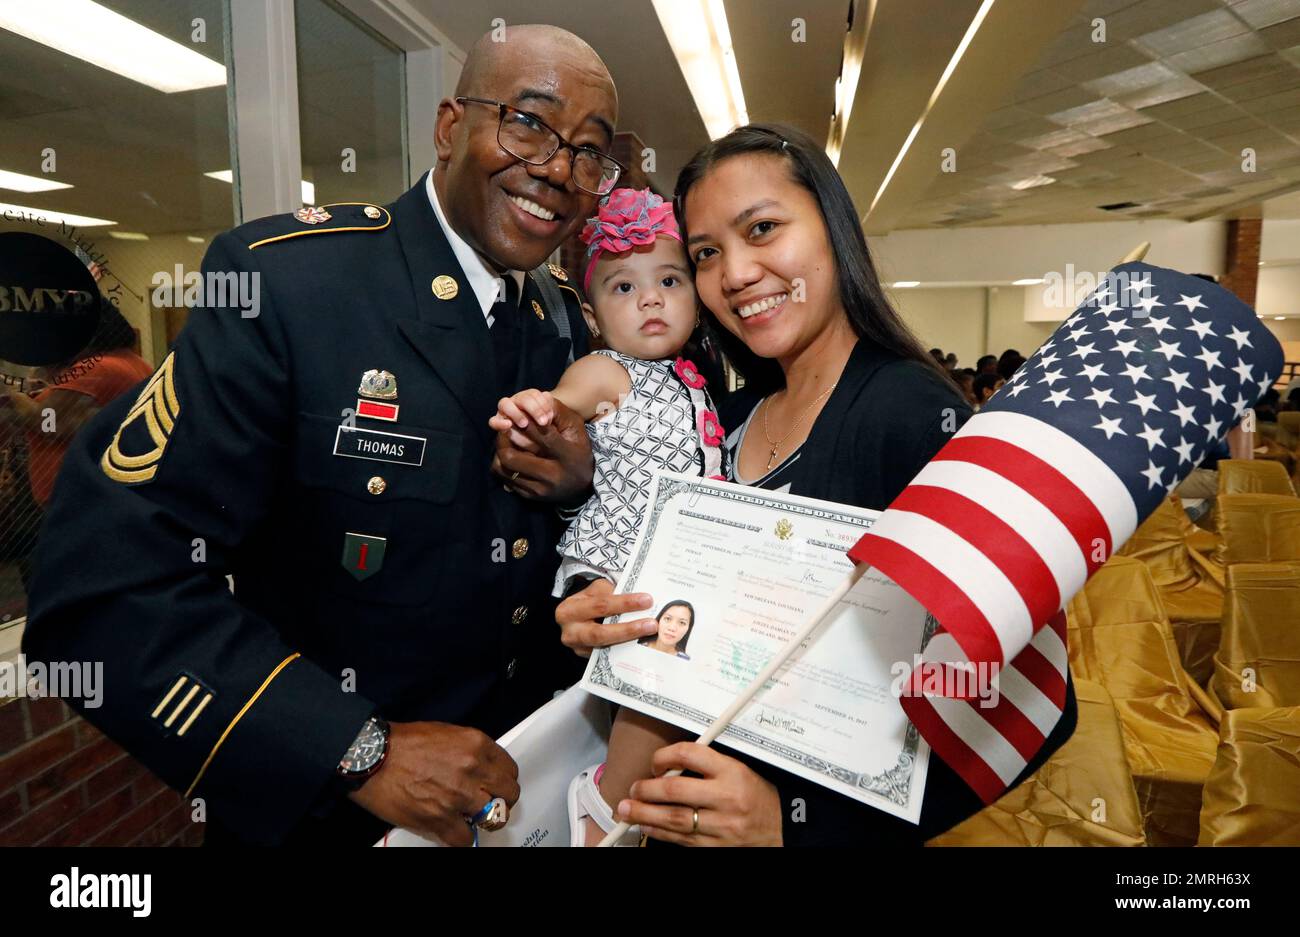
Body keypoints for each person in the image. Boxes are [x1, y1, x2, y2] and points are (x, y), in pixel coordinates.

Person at [24, 23, 618, 847]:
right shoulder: (284, 284)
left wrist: (580, 492)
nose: (557, 168)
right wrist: (355, 750)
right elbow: (103, 590)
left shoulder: (567, 330)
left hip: (522, 808)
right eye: (528, 122)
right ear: (449, 128)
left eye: (590, 152)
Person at [554, 123, 1077, 846]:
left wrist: (795, 825)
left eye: (762, 228)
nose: (734, 274)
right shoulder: (722, 419)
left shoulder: (913, 417)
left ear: (833, 230)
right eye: (706, 254)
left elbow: (1028, 698)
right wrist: (600, 611)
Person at [488, 188, 722, 847]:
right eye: (624, 287)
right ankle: (599, 808)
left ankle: (623, 797)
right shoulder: (606, 370)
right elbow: (565, 404)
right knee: (657, 677)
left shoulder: (695, 376)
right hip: (615, 559)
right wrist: (540, 413)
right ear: (591, 313)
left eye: (669, 280)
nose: (651, 299)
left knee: (670, 686)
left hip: (673, 560)